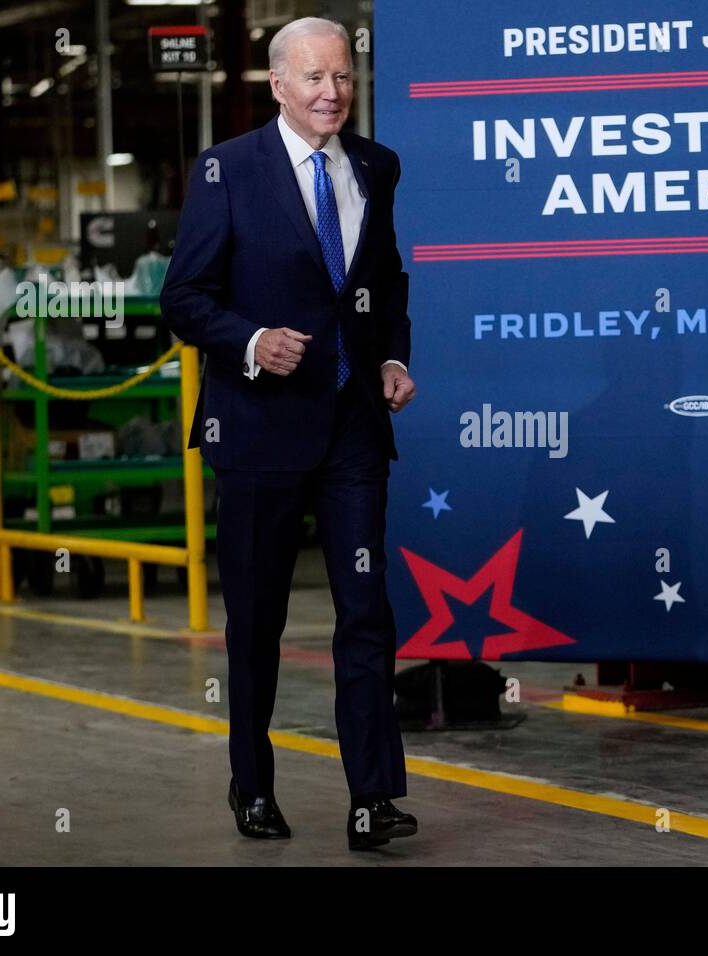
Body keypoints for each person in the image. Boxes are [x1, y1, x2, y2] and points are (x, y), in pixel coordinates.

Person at [160, 16, 418, 852]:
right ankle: (253, 786)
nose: (331, 93)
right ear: (277, 85)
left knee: (366, 612)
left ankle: (373, 799)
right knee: (258, 622)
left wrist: (389, 358)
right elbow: (183, 297)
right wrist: (249, 341)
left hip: (350, 425)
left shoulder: (377, 167)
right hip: (259, 426)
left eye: (342, 77)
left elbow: (385, 282)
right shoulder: (225, 171)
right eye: (313, 78)